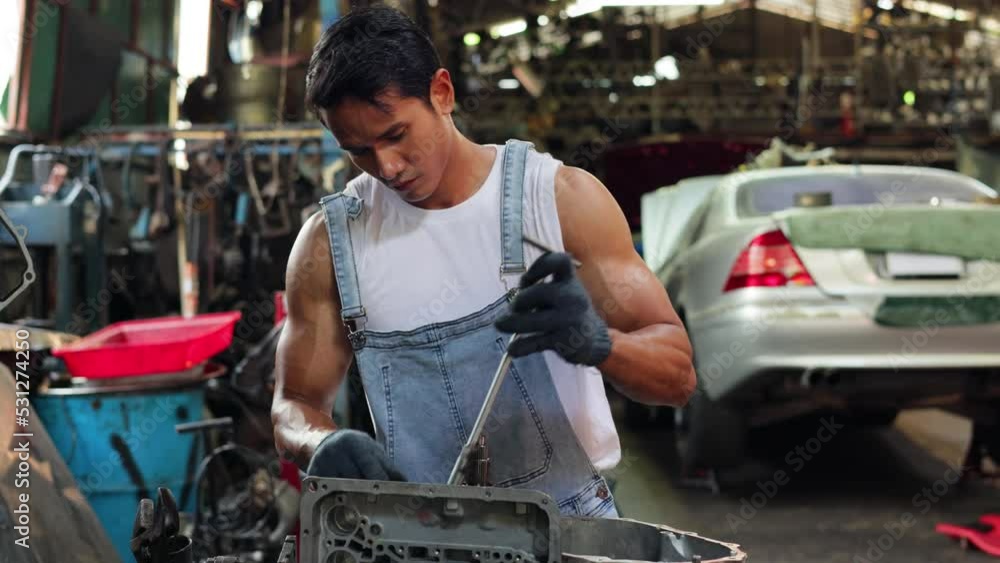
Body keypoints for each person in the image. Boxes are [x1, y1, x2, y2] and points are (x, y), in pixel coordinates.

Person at [271, 4, 695, 518]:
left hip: (569, 531)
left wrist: (603, 346)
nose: (386, 167)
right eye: (358, 150)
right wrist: (320, 443)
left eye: (395, 135)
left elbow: (678, 378)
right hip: (416, 538)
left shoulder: (558, 201)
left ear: (442, 93)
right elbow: (293, 403)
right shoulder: (328, 246)